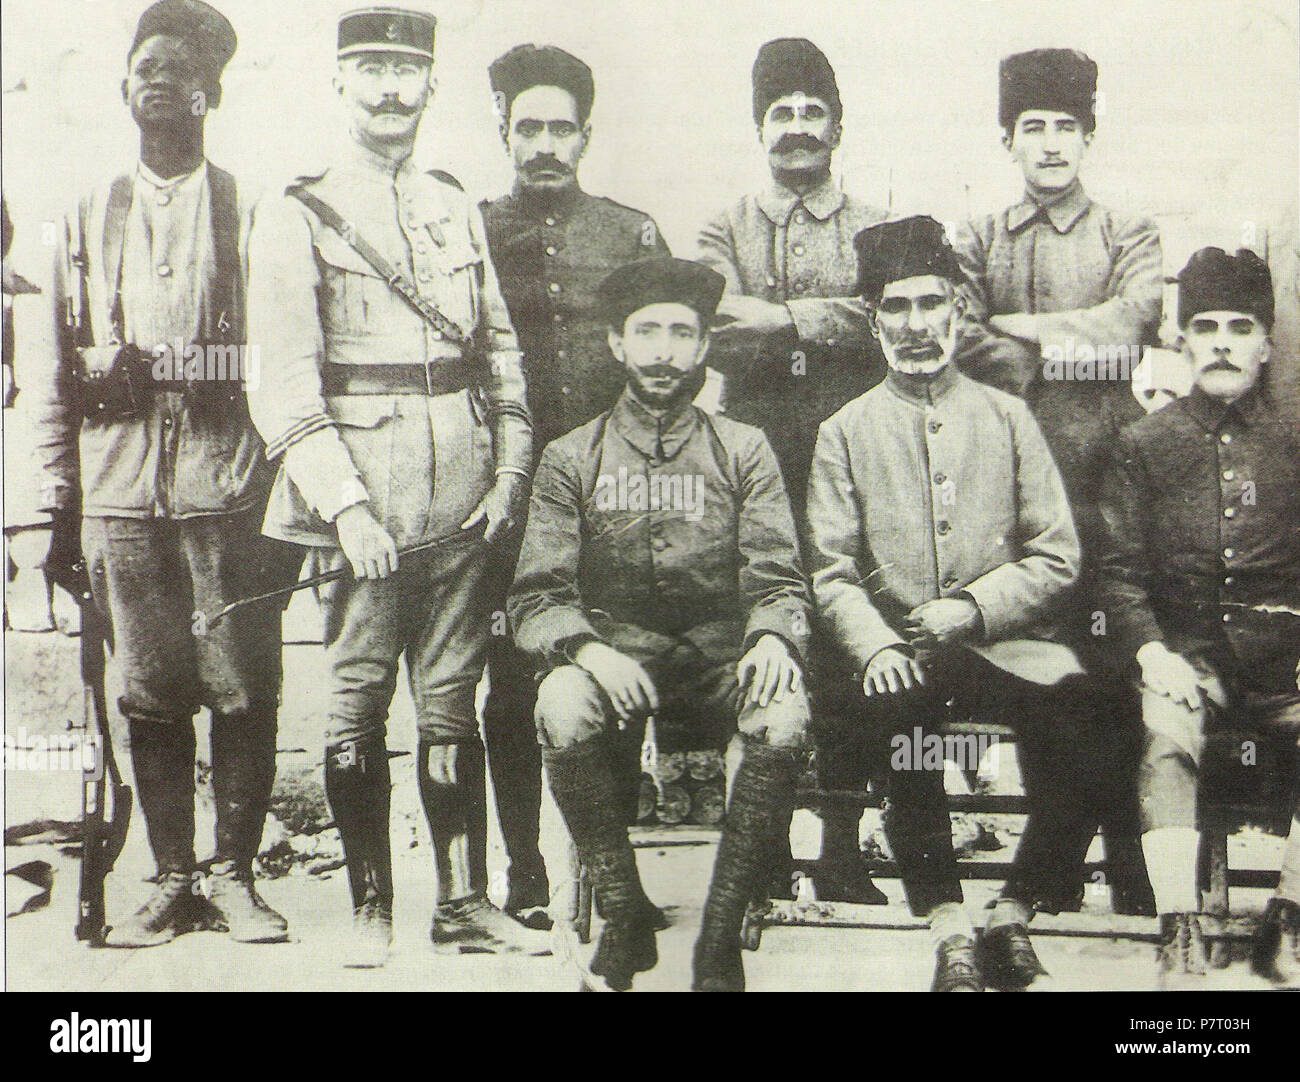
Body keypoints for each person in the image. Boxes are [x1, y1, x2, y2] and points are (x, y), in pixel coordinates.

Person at [244, 6, 537, 967]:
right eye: (368, 68)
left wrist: (510, 473)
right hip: (359, 507)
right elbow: (281, 381)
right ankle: (372, 908)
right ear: (339, 82)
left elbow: (498, 351)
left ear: (430, 85)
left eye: (405, 70)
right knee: (358, 705)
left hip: (462, 498)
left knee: (452, 705)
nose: (388, 88)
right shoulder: (299, 212)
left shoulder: (455, 204)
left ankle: (463, 903)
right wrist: (345, 503)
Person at [807, 216, 1123, 991]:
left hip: (1005, 645)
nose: (916, 326)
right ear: (874, 319)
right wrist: (878, 645)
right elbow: (830, 571)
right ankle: (947, 925)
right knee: (900, 718)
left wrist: (976, 608)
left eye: (930, 304)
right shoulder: (844, 431)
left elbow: (1057, 554)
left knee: (1094, 714)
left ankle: (1014, 913)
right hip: (904, 650)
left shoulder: (1010, 416)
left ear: (956, 311)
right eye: (896, 308)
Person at [34, 0, 289, 948]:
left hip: (232, 491)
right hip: (121, 498)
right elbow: (54, 381)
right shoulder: (79, 220)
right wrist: (53, 510)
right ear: (124, 88)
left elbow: (281, 360)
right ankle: (171, 876)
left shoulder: (255, 212)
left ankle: (236, 878)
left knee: (243, 686)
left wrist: (191, 368)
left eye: (178, 69)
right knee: (146, 690)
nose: (159, 81)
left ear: (209, 92)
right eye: (144, 66)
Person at [509, 257, 813, 991]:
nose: (664, 352)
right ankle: (622, 912)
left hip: (720, 658)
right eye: (646, 332)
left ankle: (719, 940)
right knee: (560, 701)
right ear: (616, 344)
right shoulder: (569, 457)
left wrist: (772, 633)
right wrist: (586, 649)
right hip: (617, 660)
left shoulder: (743, 447)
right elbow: (536, 595)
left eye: (683, 333)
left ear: (706, 346)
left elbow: (778, 575)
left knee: (784, 712)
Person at [951, 47, 1164, 914]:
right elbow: (960, 337)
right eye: (1032, 128)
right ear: (1008, 138)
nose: (1049, 144)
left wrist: (1025, 330)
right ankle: (1057, 875)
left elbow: (1131, 326)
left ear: (1088, 135)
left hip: (1106, 482)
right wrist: (1061, 355)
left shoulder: (1129, 232)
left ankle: (1132, 865)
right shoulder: (978, 235)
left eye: (1065, 128)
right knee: (1041, 673)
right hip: (1009, 499)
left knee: (1112, 669)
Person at [695, 35, 891, 906]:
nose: (799, 129)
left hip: (856, 453)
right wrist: (818, 317)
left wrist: (772, 315)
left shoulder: (877, 221)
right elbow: (711, 323)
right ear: (758, 127)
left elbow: (881, 318)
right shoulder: (722, 224)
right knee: (766, 635)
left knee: (851, 636)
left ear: (839, 125)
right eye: (782, 114)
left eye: (814, 113)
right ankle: (766, 846)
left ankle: (844, 844)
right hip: (756, 454)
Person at [478, 43, 670, 928]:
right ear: (504, 132)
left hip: (607, 500)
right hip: (504, 496)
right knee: (513, 688)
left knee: (611, 672)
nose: (546, 143)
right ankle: (524, 870)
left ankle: (606, 865)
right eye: (529, 128)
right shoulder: (470, 228)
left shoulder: (629, 233)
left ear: (586, 134)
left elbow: (671, 361)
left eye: (562, 127)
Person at [1096, 247, 1300, 988]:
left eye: (1239, 326)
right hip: (1190, 659)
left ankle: (1287, 918)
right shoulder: (1144, 445)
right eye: (1205, 325)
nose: (1220, 341)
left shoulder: (1292, 443)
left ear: (1265, 344)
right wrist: (1152, 653)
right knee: (1166, 740)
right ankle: (1178, 929)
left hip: (1284, 661)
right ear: (1181, 340)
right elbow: (1118, 573)